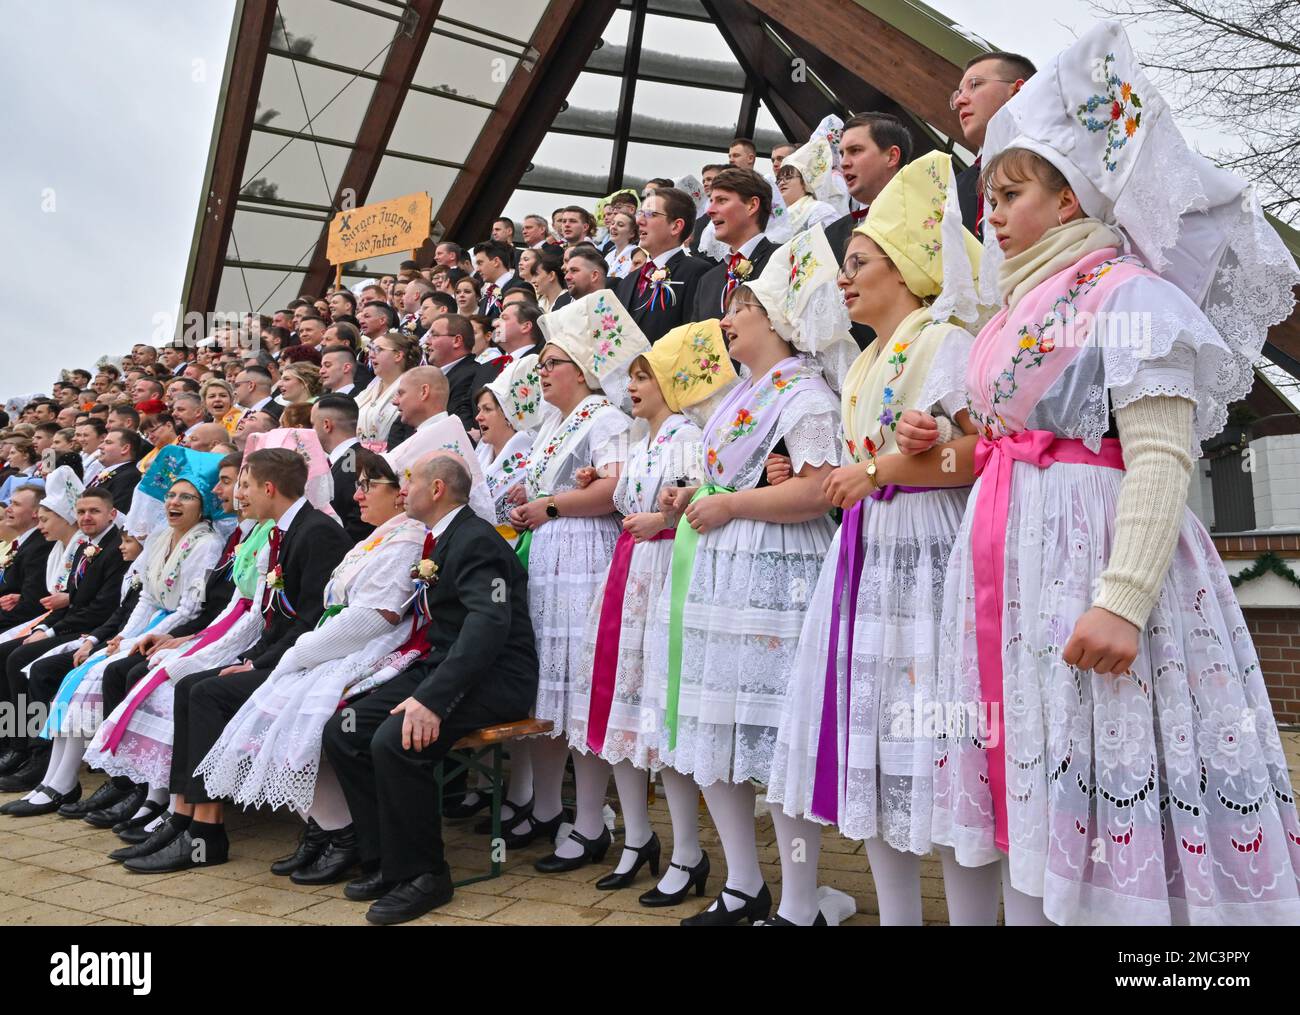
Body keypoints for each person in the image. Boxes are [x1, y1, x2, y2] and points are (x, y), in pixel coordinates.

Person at [915, 22, 1300, 925]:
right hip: (1016, 573)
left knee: (1114, 775)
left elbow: (1161, 452)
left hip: (1094, 564)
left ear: (1070, 197)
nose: (995, 214)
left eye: (1012, 192)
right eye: (990, 197)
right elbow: (1004, 437)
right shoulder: (1019, 307)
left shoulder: (1126, 293)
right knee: (1041, 778)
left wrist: (1123, 596)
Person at [764, 152, 1003, 926]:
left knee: (940, 750)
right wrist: (867, 471)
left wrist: (887, 465)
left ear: (904, 269)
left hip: (930, 555)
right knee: (874, 749)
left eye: (859, 261)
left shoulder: (947, 339)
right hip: (870, 558)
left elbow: (982, 451)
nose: (844, 277)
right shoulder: (866, 361)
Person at [653, 227, 855, 924]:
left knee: (778, 739)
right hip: (720, 574)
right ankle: (743, 882)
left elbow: (817, 490)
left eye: (738, 308)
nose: (725, 319)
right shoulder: (744, 393)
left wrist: (734, 502)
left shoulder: (803, 395)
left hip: (778, 576)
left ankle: (801, 899)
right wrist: (696, 496)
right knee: (716, 728)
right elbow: (723, 480)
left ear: (773, 318)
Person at [194, 447, 429, 884]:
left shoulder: (408, 539)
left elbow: (375, 616)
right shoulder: (378, 537)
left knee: (291, 712)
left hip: (372, 649)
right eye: (356, 485)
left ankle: (342, 834)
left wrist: (297, 654)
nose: (356, 496)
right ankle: (328, 830)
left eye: (367, 486)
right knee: (272, 708)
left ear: (400, 494)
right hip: (340, 645)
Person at [322, 453, 538, 923]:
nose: (401, 490)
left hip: (495, 677)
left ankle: (425, 876)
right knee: (344, 730)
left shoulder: (476, 541)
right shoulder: (442, 537)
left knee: (396, 741)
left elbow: (488, 626)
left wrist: (431, 700)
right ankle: (385, 860)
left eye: (409, 480)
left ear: (437, 488)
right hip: (446, 665)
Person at [122, 441, 353, 873]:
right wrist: (253, 655)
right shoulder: (283, 530)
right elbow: (272, 618)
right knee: (190, 685)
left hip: (315, 662)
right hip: (284, 653)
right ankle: (185, 818)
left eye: (244, 486)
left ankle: (208, 834)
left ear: (269, 487)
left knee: (208, 693)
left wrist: (258, 663)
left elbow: (314, 621)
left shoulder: (315, 531)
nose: (236, 495)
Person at [566, 320, 734, 898]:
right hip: (629, 573)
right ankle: (639, 836)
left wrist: (661, 520)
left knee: (662, 711)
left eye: (646, 377)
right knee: (622, 706)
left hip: (666, 572)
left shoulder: (688, 436)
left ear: (671, 384)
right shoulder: (642, 442)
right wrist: (607, 484)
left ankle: (686, 849)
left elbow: (697, 504)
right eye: (633, 377)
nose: (634, 387)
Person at [502, 291, 643, 862]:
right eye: (539, 366)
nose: (542, 373)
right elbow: (551, 488)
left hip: (585, 553)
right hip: (551, 554)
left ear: (581, 368)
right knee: (549, 688)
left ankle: (589, 819)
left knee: (580, 689)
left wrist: (552, 506)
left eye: (550, 364)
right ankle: (546, 808)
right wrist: (529, 499)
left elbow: (614, 489)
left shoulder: (606, 416)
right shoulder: (553, 423)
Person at [11, 450, 227, 817]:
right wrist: (119, 638)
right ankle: (48, 771)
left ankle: (131, 783)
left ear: (202, 504)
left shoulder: (204, 543)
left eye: (186, 497)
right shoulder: (161, 539)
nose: (174, 502)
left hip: (164, 629)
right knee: (67, 674)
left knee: (93, 673)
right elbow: (143, 598)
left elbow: (185, 609)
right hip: (130, 627)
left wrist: (119, 642)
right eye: (172, 495)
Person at [85, 453, 273, 852]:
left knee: (172, 679)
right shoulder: (243, 535)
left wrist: (194, 644)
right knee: (130, 668)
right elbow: (155, 598)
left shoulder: (227, 540)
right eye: (225, 482)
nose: (230, 491)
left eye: (235, 483)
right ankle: (147, 790)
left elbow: (238, 609)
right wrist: (134, 635)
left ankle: (179, 809)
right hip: (211, 629)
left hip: (240, 640)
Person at [0, 482, 128, 793]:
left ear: (111, 514)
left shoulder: (115, 549)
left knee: (33, 665)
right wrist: (43, 629)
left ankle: (39, 752)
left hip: (94, 630)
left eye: (94, 511)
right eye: (81, 511)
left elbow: (103, 606)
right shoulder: (87, 545)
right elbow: (67, 597)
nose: (86, 517)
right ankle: (17, 741)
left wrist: (53, 630)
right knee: (8, 653)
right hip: (72, 624)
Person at [951, 51, 1035, 238]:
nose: (959, 101)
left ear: (1017, 91)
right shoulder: (953, 190)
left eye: (975, 84)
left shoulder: (1054, 160)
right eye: (959, 93)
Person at [617, 187, 712, 344]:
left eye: (651, 214)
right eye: (641, 214)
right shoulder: (629, 280)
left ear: (675, 226)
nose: (639, 221)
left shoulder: (696, 273)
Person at [690, 168, 778, 322]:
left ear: (751, 205)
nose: (710, 210)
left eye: (722, 200)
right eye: (711, 201)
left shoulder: (782, 261)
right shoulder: (708, 281)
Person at [473, 354, 545, 530]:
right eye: (479, 410)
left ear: (507, 415)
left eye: (487, 409)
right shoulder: (480, 455)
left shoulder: (531, 460)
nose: (478, 417)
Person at [312, 393, 371, 543]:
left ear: (327, 425)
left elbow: (360, 522)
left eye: (313, 424)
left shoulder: (358, 462)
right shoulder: (349, 459)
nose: (311, 431)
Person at [0, 486, 54, 632]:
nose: (8, 509)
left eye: (16, 504)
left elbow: (31, 604)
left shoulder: (40, 547)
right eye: (10, 503)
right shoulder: (24, 542)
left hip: (16, 624)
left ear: (35, 513)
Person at [355, 333, 420, 444]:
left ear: (398, 356)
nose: (371, 355)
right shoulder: (370, 388)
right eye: (370, 349)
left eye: (378, 349)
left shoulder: (412, 390)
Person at [423, 314, 481, 434]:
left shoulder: (471, 375)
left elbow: (456, 425)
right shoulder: (433, 376)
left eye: (434, 335)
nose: (427, 342)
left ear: (456, 341)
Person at [384, 366, 450, 452]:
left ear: (424, 392)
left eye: (401, 393)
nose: (395, 402)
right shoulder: (443, 433)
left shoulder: (444, 439)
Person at [85, 429, 142, 513]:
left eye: (108, 442)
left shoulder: (129, 477)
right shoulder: (116, 472)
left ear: (125, 448)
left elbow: (116, 512)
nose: (100, 446)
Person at [603, 210, 640, 280]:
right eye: (613, 223)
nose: (613, 227)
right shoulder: (609, 256)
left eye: (620, 225)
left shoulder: (636, 255)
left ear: (632, 233)